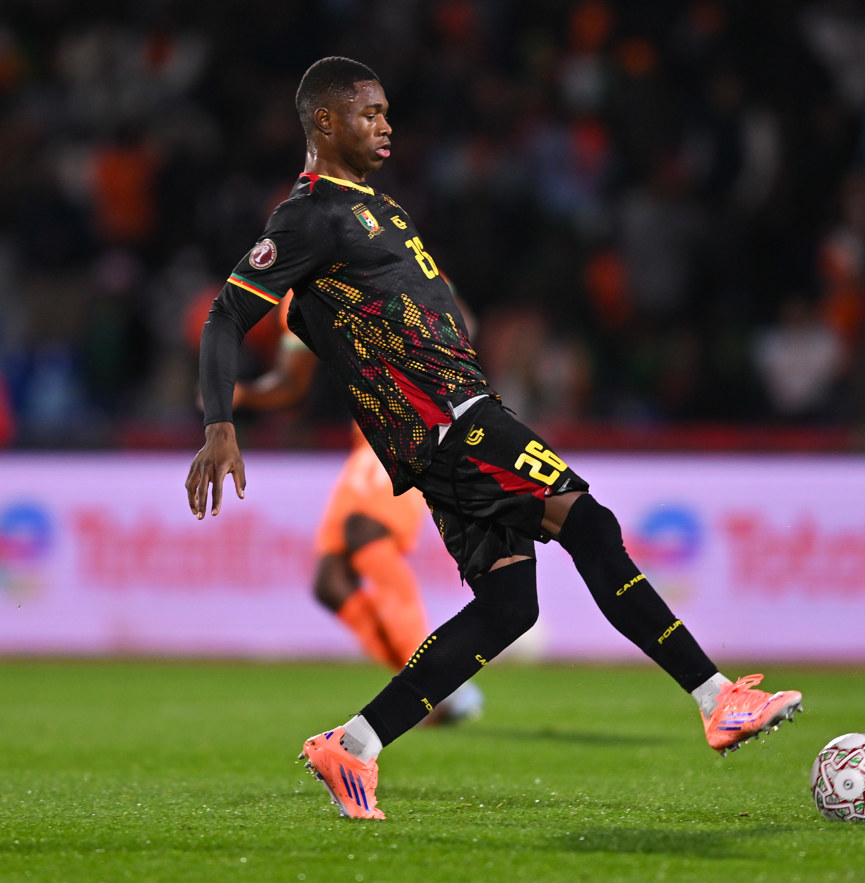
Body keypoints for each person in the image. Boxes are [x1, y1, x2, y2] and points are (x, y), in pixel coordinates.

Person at [185, 56, 803, 820]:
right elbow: (227, 314)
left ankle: (355, 743)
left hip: (451, 422)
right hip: (450, 421)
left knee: (509, 605)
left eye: (387, 111)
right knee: (588, 521)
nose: (386, 125)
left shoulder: (380, 208)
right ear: (325, 121)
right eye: (369, 113)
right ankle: (716, 697)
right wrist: (221, 424)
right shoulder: (309, 215)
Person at [231, 299, 483, 722]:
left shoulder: (387, 264)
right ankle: (440, 689)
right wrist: (243, 393)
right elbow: (291, 384)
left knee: (365, 530)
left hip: (415, 420)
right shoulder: (296, 300)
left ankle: (431, 689)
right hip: (368, 432)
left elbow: (463, 319)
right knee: (330, 582)